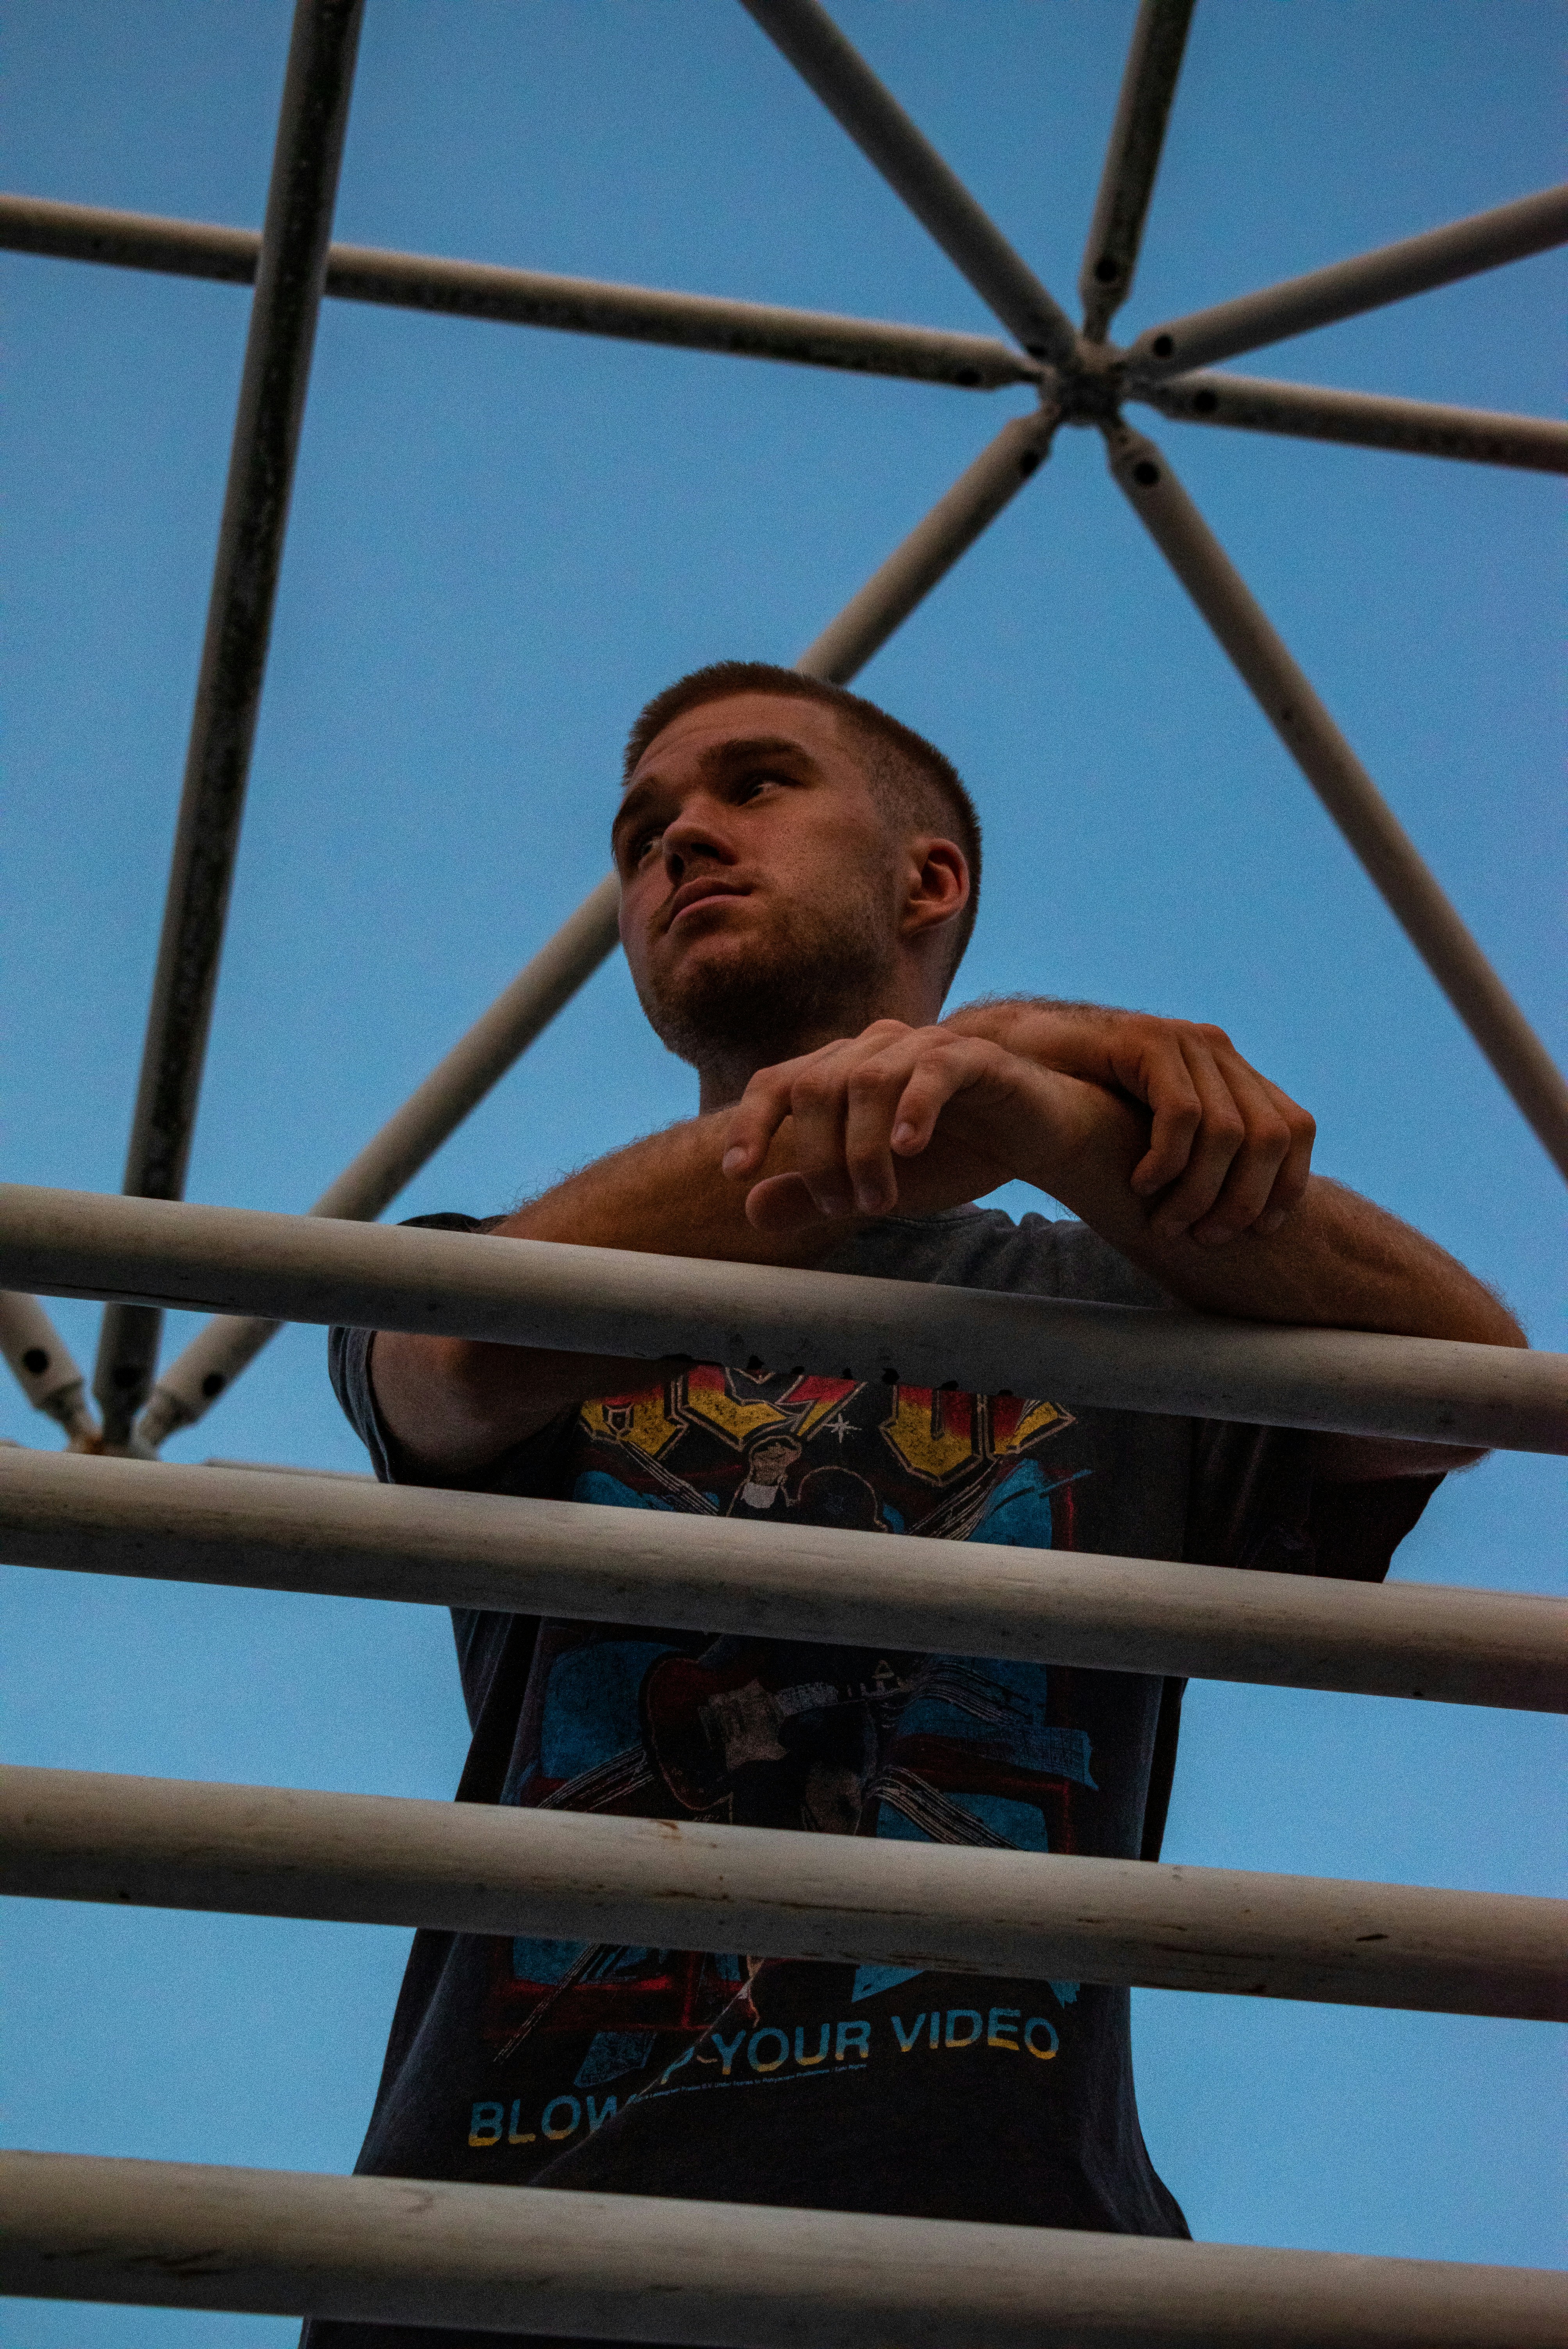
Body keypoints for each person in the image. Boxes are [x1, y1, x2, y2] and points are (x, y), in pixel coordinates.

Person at [304, 661, 1522, 2348]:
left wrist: (1028, 1103)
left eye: (750, 787)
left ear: (925, 879)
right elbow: (449, 1357)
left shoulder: (1111, 1312)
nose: (679, 843)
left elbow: (1462, 1386)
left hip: (1016, 2276)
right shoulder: (480, 1260)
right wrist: (970, 1074)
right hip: (512, 2259)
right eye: (643, 827)